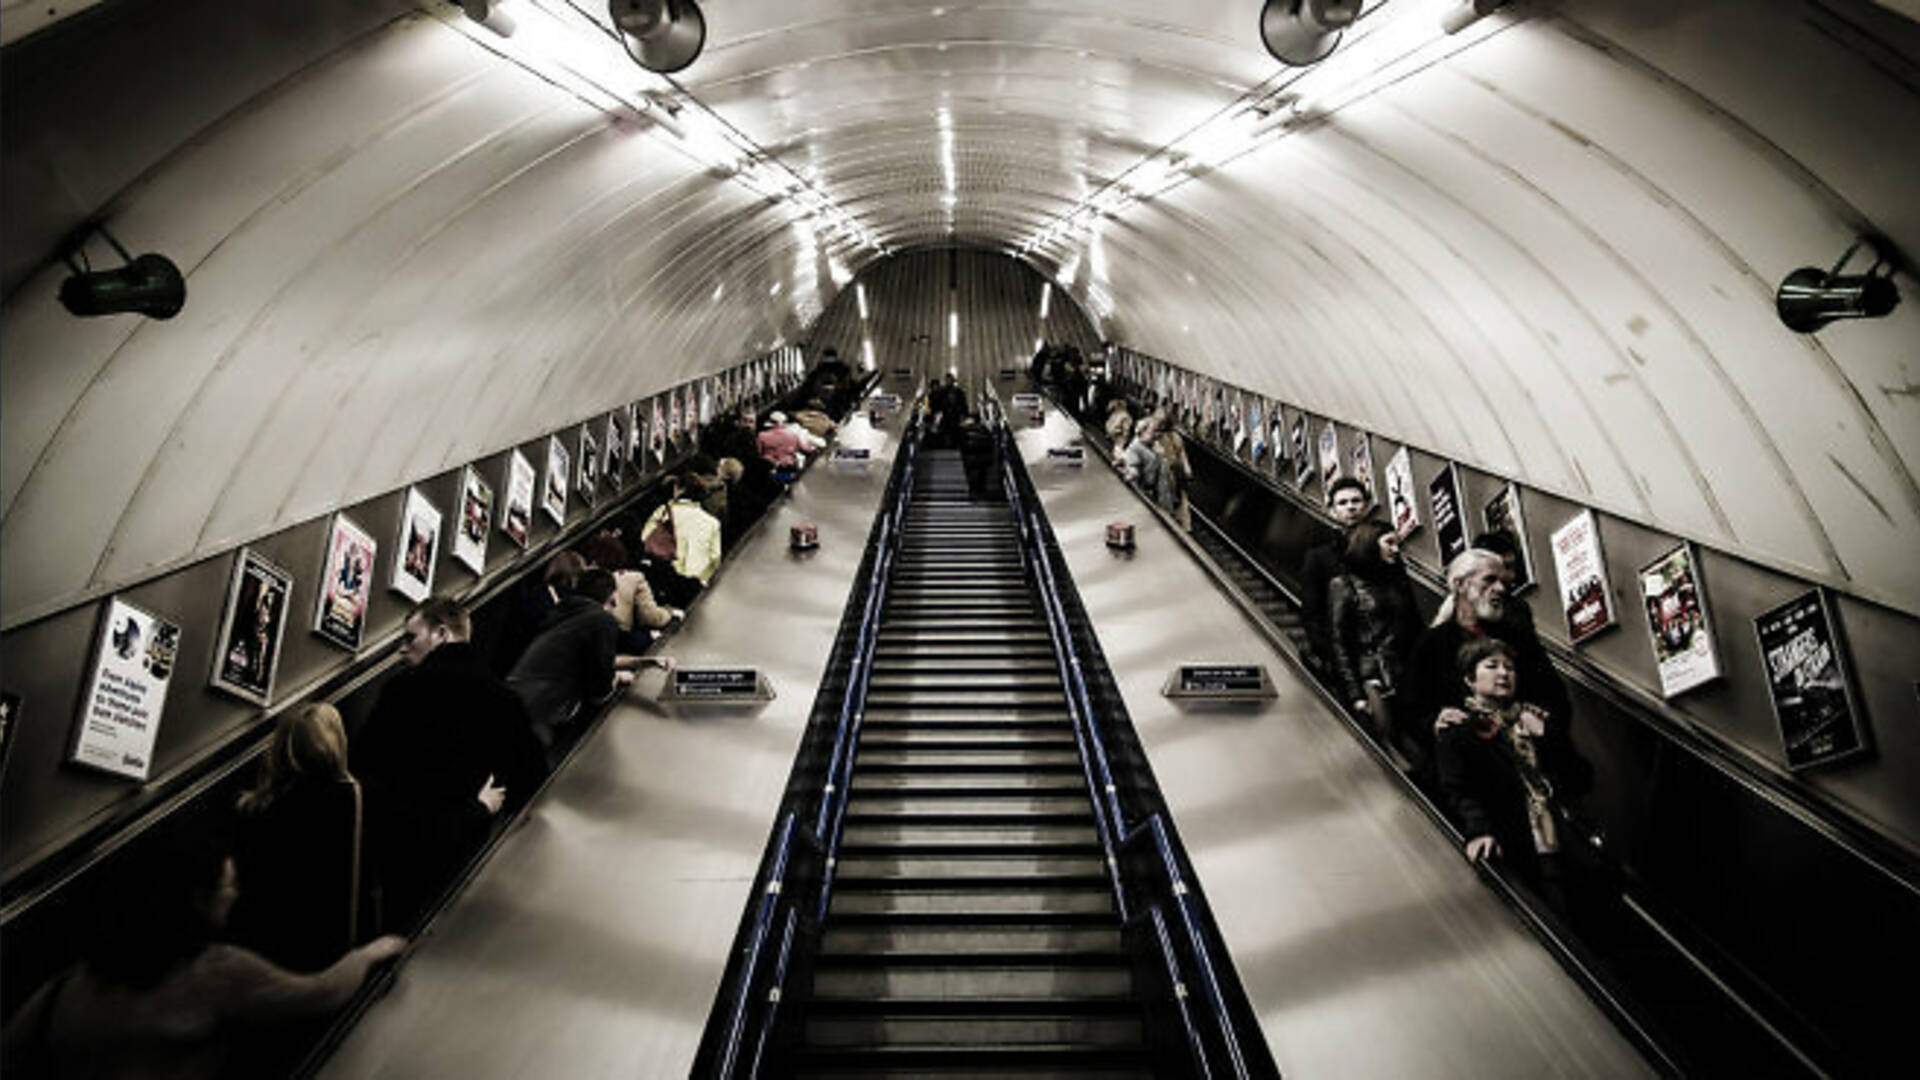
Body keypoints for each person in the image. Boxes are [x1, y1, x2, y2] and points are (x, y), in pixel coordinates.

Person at [1, 830, 404, 1079]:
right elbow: (321, 994)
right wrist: (368, 954)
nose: (234, 893)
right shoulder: (215, 972)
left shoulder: (65, 988)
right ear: (197, 899)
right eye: (227, 885)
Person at [354, 598, 541, 926]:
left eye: (410, 638)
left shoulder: (402, 691)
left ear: (441, 634)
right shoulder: (504, 699)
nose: (401, 649)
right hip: (473, 848)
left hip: (404, 849)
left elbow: (363, 769)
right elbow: (534, 775)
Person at [230, 704, 400, 973]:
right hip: (339, 951)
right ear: (337, 744)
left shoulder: (253, 808)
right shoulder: (364, 798)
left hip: (273, 954)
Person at [1404, 549, 1579, 787]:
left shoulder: (1518, 637)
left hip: (1529, 765)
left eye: (1504, 582)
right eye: (1489, 580)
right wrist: (1435, 721)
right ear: (1460, 584)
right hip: (1468, 772)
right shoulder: (1432, 644)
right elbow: (1412, 707)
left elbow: (1555, 696)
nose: (1500, 589)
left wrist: (1540, 719)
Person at [1437, 638, 1578, 884]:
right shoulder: (1458, 730)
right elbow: (1458, 791)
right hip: (1516, 846)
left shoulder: (1533, 719)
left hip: (1564, 841)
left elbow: (1580, 776)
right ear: (1470, 679)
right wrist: (1479, 831)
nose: (1503, 673)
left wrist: (1546, 735)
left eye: (1510, 668)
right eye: (1492, 666)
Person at [507, 569, 653, 757]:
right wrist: (616, 679)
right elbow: (600, 690)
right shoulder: (602, 620)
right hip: (544, 710)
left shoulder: (564, 612)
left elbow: (588, 661)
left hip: (517, 700)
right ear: (614, 597)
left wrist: (642, 662)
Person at [1327, 519, 1424, 727]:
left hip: (1406, 675)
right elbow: (1339, 642)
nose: (1396, 549)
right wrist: (1355, 695)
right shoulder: (1344, 585)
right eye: (1389, 543)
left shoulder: (1397, 580)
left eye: (1397, 543)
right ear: (1370, 544)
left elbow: (1414, 627)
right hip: (1372, 678)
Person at [1299, 476, 1374, 675]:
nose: (1351, 507)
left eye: (1356, 501)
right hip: (1345, 657)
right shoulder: (1319, 557)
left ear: (1366, 507)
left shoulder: (1383, 550)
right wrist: (1330, 655)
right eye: (1343, 503)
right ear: (1332, 511)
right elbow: (1312, 612)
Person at [641, 474, 723, 606]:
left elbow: (645, 537)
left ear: (679, 489)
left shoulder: (663, 513)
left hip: (668, 580)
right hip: (697, 584)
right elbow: (715, 557)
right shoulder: (712, 523)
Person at [1152, 419, 1191, 530]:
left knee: (1168, 497)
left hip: (1168, 473)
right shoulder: (1176, 437)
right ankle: (1185, 525)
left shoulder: (1158, 440)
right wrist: (1187, 470)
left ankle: (1171, 523)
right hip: (1178, 471)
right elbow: (1182, 455)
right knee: (1182, 498)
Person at [1117, 416, 1165, 506]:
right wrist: (1132, 473)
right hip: (1147, 494)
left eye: (1159, 431)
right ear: (1142, 432)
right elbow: (1132, 465)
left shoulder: (1154, 445)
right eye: (1154, 431)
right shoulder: (1136, 447)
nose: (1158, 435)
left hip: (1160, 491)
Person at [958, 415, 997, 500]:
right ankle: (977, 490)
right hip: (975, 452)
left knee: (977, 469)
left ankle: (976, 490)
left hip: (974, 453)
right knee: (978, 469)